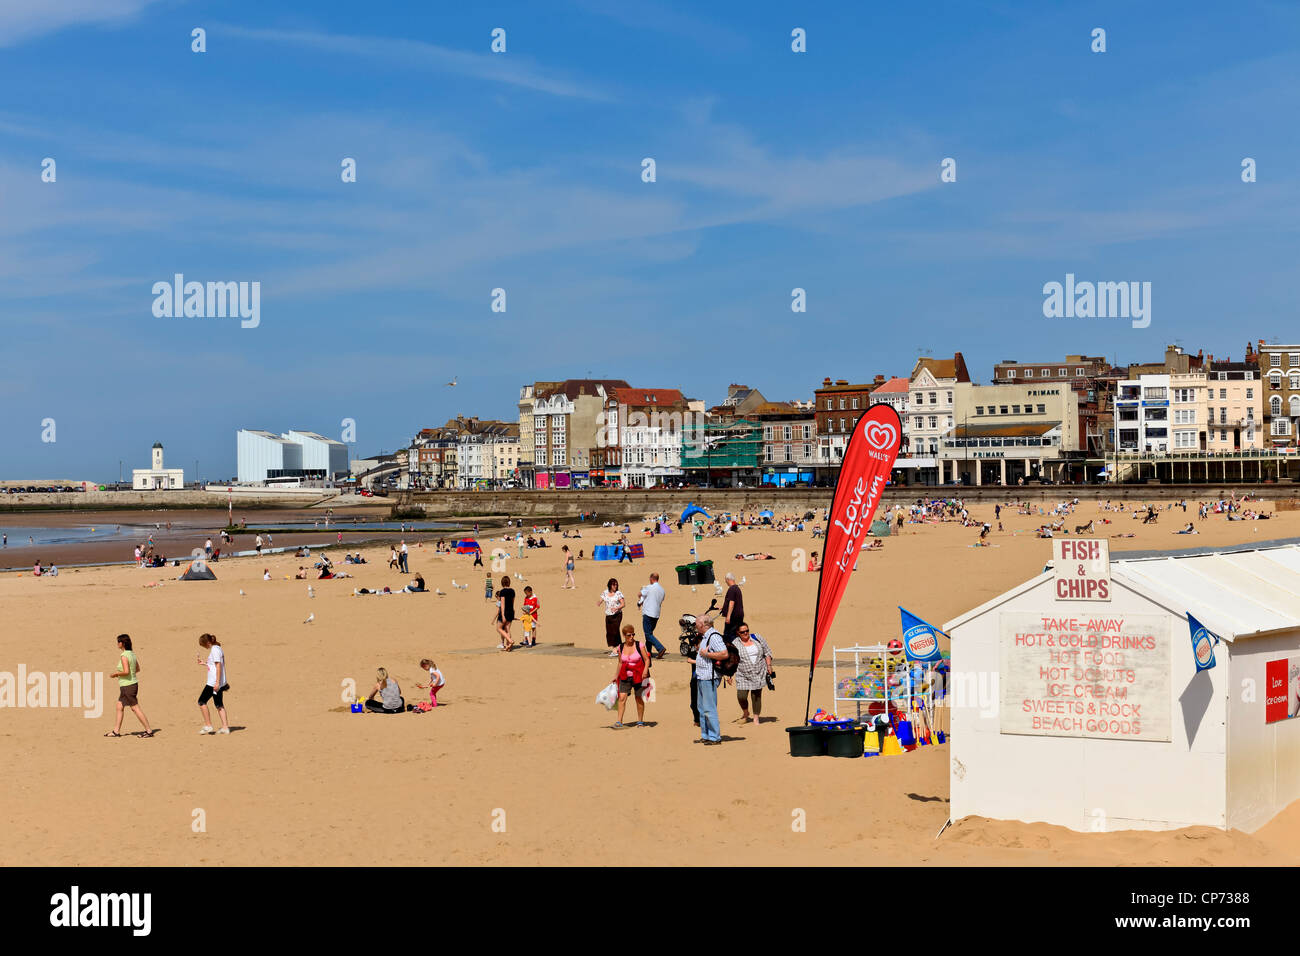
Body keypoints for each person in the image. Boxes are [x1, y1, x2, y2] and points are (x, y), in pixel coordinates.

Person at [105, 634, 154, 738]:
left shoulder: (124, 656)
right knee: (119, 706)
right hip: (130, 685)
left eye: (118, 642)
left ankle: (149, 731)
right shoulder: (132, 654)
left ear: (122, 644)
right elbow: (137, 669)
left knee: (135, 708)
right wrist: (128, 674)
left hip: (128, 686)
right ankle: (116, 731)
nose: (117, 644)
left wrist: (116, 674)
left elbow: (126, 671)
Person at [693, 617, 729, 744]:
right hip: (702, 676)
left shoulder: (714, 636)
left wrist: (706, 655)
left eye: (696, 623)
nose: (695, 626)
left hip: (710, 677)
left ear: (702, 624)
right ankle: (706, 735)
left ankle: (714, 737)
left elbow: (724, 654)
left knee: (709, 708)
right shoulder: (705, 636)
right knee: (702, 708)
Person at [729, 625, 773, 724]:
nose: (745, 633)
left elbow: (767, 652)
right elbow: (732, 660)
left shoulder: (757, 638)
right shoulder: (735, 643)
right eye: (742, 632)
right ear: (738, 633)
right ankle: (746, 712)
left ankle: (756, 717)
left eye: (747, 631)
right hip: (743, 674)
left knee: (756, 695)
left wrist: (769, 666)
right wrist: (729, 675)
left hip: (759, 671)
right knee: (741, 696)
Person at [611, 623, 651, 727]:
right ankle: (619, 721)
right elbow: (620, 662)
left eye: (633, 634)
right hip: (625, 675)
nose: (632, 637)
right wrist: (616, 675)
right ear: (624, 636)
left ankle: (640, 721)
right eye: (629, 635)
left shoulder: (639, 645)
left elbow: (647, 659)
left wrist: (645, 670)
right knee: (622, 697)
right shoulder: (620, 647)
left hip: (639, 675)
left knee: (638, 698)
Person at [196, 633, 230, 734]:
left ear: (208, 643)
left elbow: (218, 666)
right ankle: (225, 727)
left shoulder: (214, 650)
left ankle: (208, 725)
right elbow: (215, 664)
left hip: (213, 683)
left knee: (201, 702)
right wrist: (204, 663)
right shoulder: (218, 648)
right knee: (219, 704)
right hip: (218, 682)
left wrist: (216, 683)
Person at [638, 572, 666, 659]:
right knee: (649, 634)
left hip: (648, 613)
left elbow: (639, 594)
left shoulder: (649, 587)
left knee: (648, 634)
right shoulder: (662, 590)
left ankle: (660, 648)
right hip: (656, 614)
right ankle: (648, 652)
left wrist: (641, 596)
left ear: (651, 578)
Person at [598, 578, 625, 656]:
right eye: (614, 585)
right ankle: (615, 649)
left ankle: (618, 648)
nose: (615, 586)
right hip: (608, 615)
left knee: (615, 631)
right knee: (609, 632)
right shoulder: (605, 592)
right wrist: (599, 602)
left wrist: (617, 608)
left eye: (616, 584)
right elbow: (601, 598)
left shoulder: (618, 593)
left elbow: (623, 604)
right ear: (610, 585)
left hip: (617, 615)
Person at [494, 575, 516, 651]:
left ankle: (510, 640)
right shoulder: (513, 591)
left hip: (505, 612)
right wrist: (513, 612)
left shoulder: (503, 591)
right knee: (507, 629)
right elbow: (513, 603)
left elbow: (502, 604)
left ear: (502, 583)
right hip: (511, 611)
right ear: (509, 582)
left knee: (499, 628)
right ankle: (508, 647)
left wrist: (503, 615)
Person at [721, 572, 745, 639]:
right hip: (738, 615)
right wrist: (723, 608)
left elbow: (732, 602)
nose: (726, 582)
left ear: (728, 579)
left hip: (733, 616)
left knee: (728, 634)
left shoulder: (732, 589)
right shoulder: (737, 588)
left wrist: (728, 616)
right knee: (736, 633)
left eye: (726, 580)